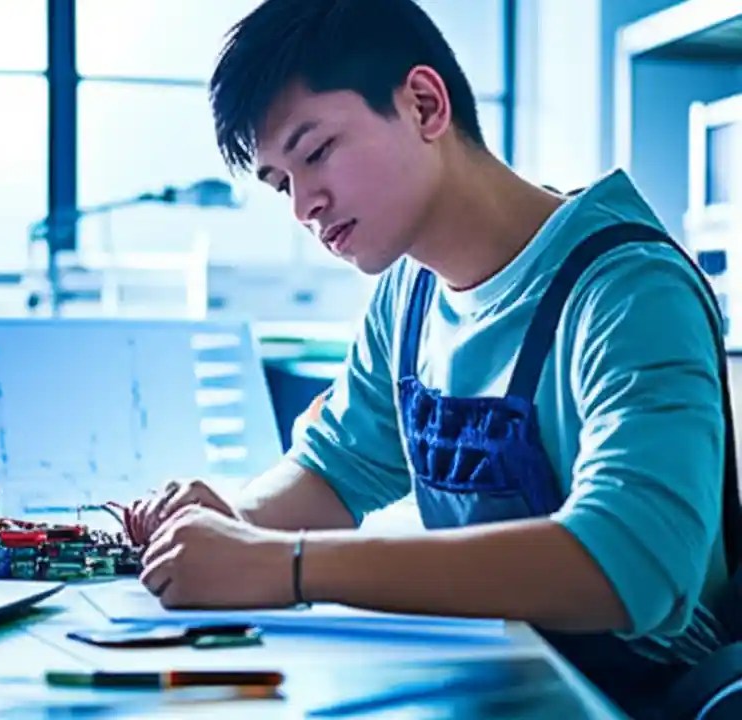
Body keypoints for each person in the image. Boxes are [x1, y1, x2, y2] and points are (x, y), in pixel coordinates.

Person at [123, 0, 740, 715]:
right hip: (500, 678)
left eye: (316, 152)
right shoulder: (408, 297)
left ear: (423, 104)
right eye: (281, 183)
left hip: (636, 698)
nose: (303, 207)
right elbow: (332, 472)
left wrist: (284, 566)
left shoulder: (630, 289)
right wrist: (229, 522)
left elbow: (629, 562)